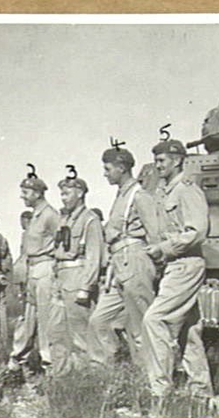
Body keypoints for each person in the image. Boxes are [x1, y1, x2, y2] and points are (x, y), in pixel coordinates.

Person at [144, 139, 213, 409]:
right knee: (188, 331)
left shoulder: (187, 190)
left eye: (162, 161)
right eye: (156, 160)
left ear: (178, 160)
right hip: (176, 264)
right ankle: (202, 395)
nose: (157, 166)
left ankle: (160, 393)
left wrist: (164, 248)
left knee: (154, 320)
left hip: (185, 263)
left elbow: (197, 231)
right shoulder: (166, 190)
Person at [87, 142, 159, 368]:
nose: (105, 173)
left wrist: (150, 265)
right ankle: (106, 370)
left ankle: (149, 377)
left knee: (140, 327)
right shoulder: (121, 196)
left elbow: (155, 235)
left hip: (134, 261)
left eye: (108, 168)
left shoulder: (139, 196)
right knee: (99, 321)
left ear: (121, 168)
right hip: (118, 266)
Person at [47, 174, 104, 376]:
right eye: (61, 194)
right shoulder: (66, 220)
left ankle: (85, 379)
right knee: (56, 331)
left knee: (81, 336)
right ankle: (60, 375)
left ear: (80, 193)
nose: (63, 198)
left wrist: (85, 288)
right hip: (60, 279)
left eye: (67, 193)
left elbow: (94, 256)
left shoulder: (90, 220)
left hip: (77, 279)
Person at [6, 174, 60, 376]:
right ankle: (18, 361)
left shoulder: (50, 215)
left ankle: (49, 365)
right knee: (26, 318)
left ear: (37, 194)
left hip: (45, 268)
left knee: (45, 319)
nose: (23, 196)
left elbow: (61, 242)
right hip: (32, 270)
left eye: (26, 192)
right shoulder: (36, 215)